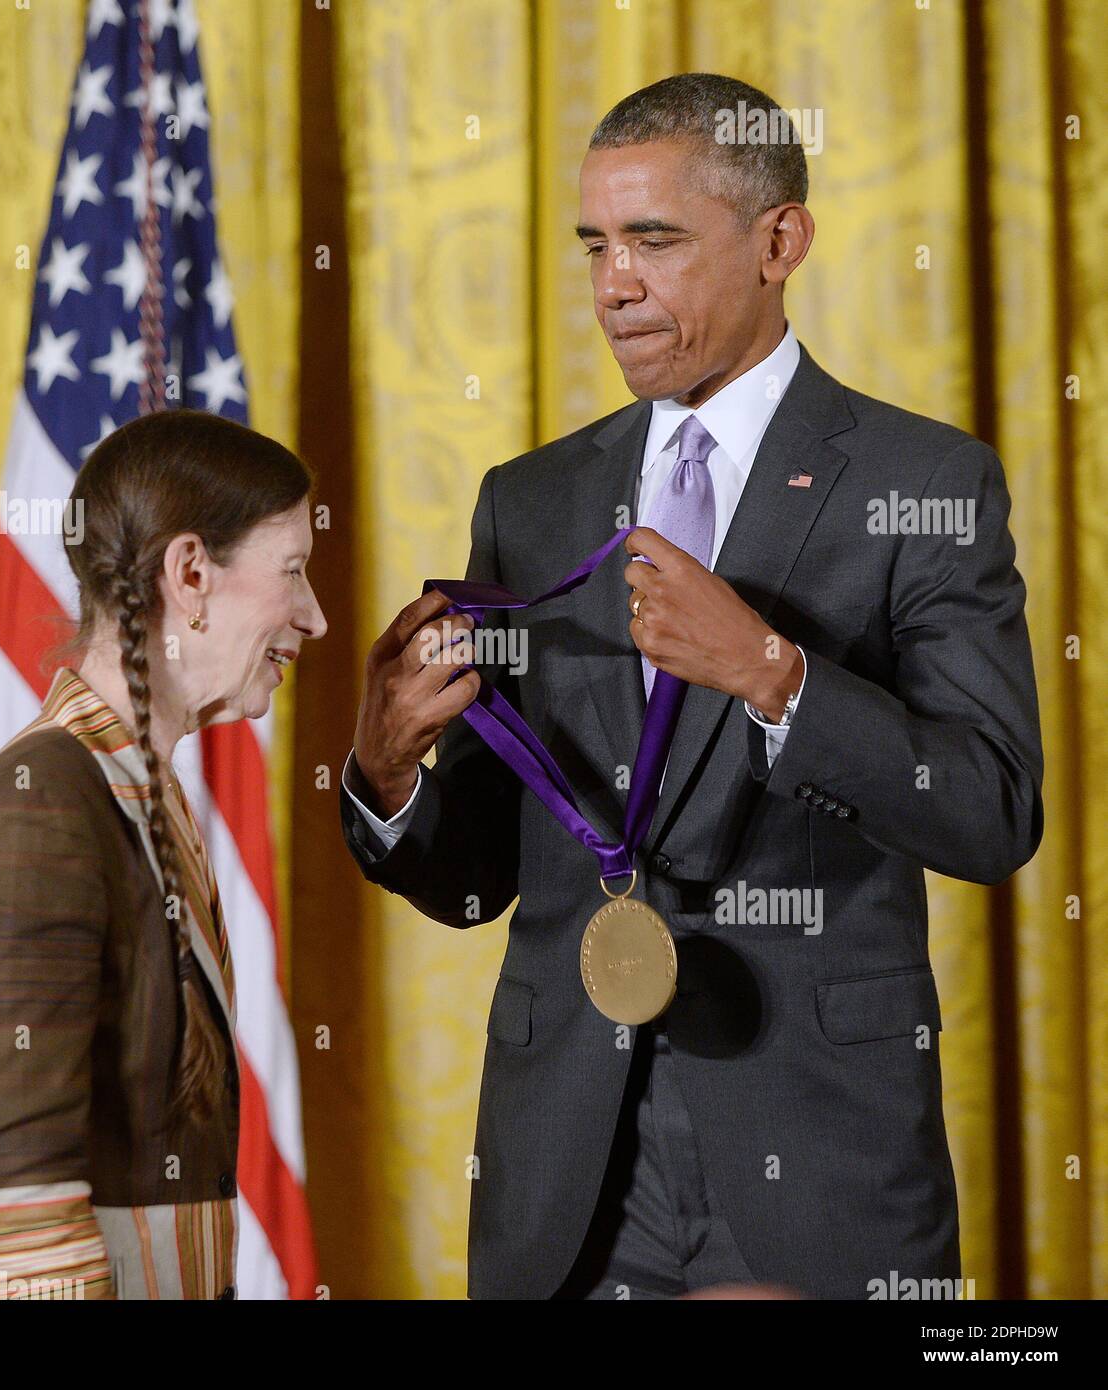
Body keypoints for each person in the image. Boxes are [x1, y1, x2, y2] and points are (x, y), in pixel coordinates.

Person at [340, 73, 1042, 1299]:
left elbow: (986, 810)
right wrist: (388, 775)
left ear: (779, 242)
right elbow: (475, 876)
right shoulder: (530, 499)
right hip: (569, 1171)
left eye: (652, 241)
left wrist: (773, 678)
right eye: (596, 246)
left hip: (820, 1159)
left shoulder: (923, 478)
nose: (613, 284)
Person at [0, 409, 326, 1300]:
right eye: (292, 573)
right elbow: (26, 1218)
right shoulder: (37, 816)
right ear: (190, 573)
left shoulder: (139, 792)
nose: (314, 618)